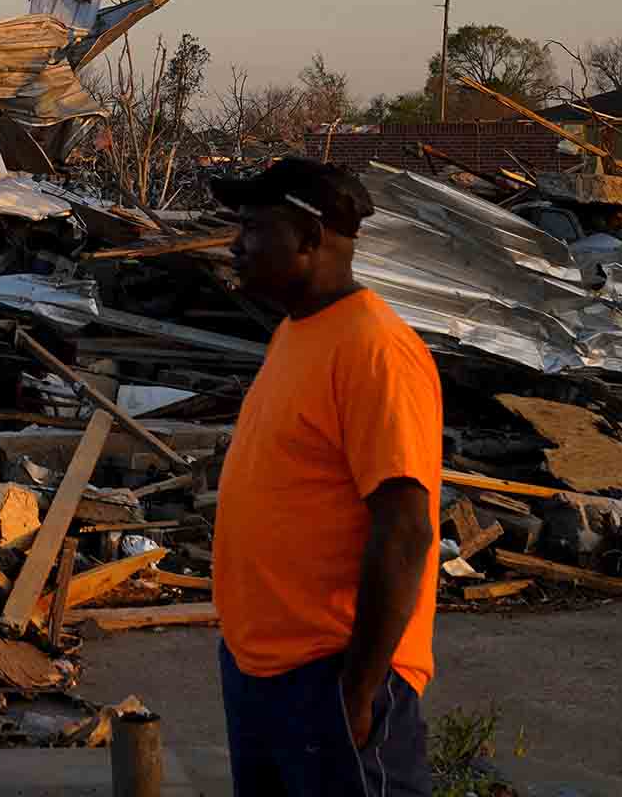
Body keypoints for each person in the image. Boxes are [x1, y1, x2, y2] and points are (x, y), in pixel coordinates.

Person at [209, 158, 441, 795]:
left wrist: (359, 691)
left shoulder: (375, 350)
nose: (236, 244)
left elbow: (405, 532)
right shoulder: (297, 332)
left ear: (309, 239)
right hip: (263, 670)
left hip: (329, 676)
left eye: (253, 228)